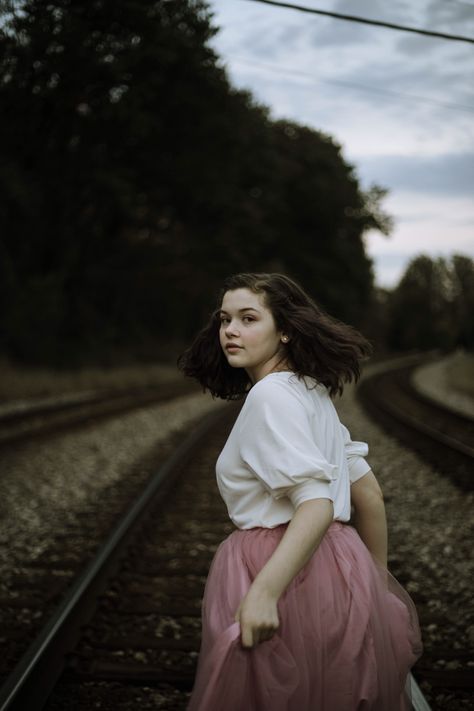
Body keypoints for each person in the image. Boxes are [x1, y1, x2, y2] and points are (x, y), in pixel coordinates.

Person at [177, 272, 422, 711]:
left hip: (281, 569)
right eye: (224, 319)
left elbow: (316, 503)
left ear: (285, 329)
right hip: (338, 568)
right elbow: (368, 493)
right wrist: (375, 583)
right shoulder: (310, 392)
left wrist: (265, 591)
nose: (230, 330)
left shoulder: (270, 396)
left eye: (248, 318)